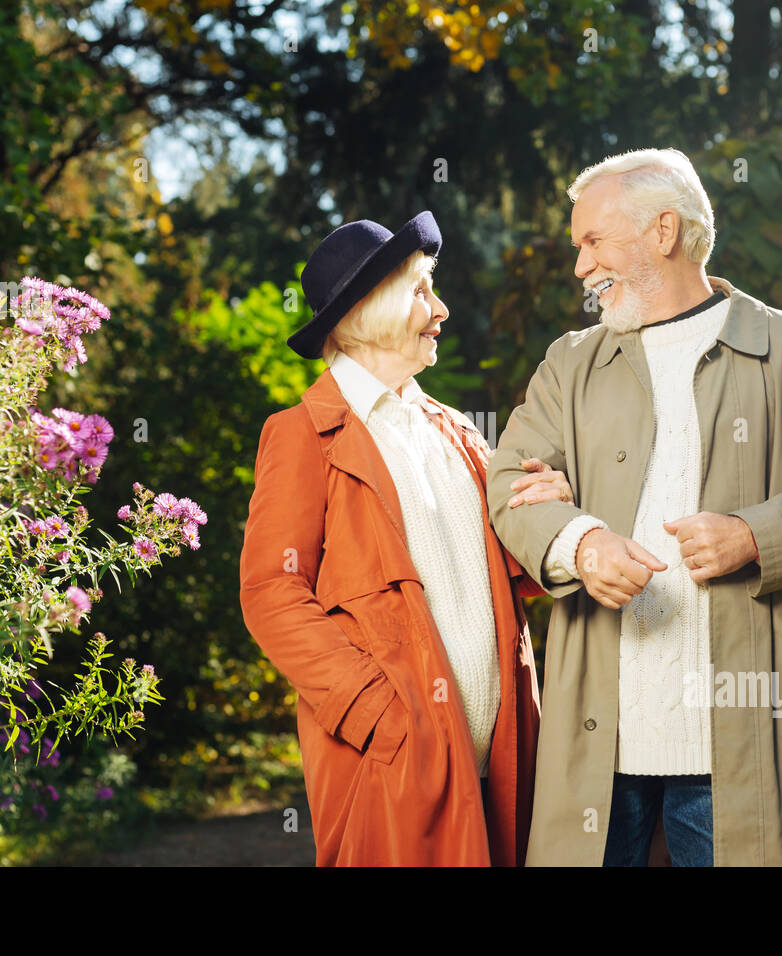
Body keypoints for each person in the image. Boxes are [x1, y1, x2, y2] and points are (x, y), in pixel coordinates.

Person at [485, 149, 782, 866]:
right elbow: (507, 483)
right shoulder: (570, 362)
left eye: (592, 241)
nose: (580, 267)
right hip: (600, 749)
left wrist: (754, 533)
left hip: (738, 754)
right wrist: (581, 542)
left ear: (663, 231)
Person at [240, 211, 566, 865]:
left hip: (502, 762)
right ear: (367, 308)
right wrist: (380, 717)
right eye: (421, 290)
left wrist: (547, 509)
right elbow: (272, 593)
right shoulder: (303, 434)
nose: (440, 307)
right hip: (393, 765)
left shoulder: (457, 431)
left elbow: (512, 566)